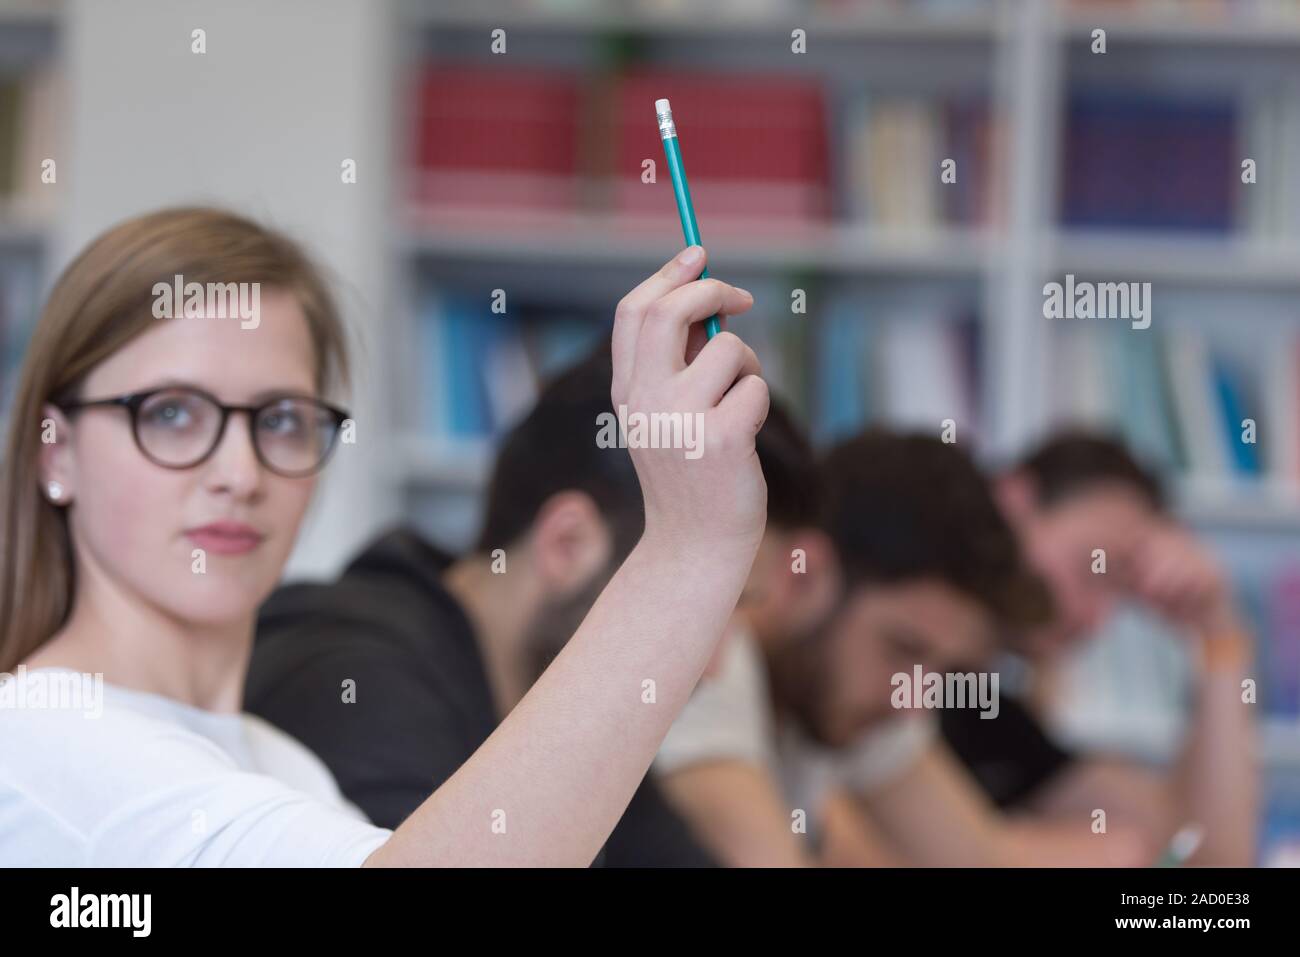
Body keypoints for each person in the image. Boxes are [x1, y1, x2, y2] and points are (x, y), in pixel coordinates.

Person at [0, 206, 767, 866]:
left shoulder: (283, 760)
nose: (239, 471)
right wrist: (689, 544)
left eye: (281, 420)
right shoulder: (32, 741)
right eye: (171, 412)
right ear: (55, 451)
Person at [245, 350, 714, 866]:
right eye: (708, 610)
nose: (712, 665)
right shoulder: (357, 675)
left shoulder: (556, 689)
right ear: (569, 544)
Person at [656, 420, 1152, 866]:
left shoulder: (842, 685)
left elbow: (982, 858)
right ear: (805, 577)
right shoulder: (713, 656)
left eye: (940, 671)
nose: (914, 701)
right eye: (903, 649)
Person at [939, 431, 1258, 866]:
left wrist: (1220, 636)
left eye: (1119, 592)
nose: (1095, 619)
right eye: (1091, 567)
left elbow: (1207, 857)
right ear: (1013, 500)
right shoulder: (903, 684)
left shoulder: (984, 710)